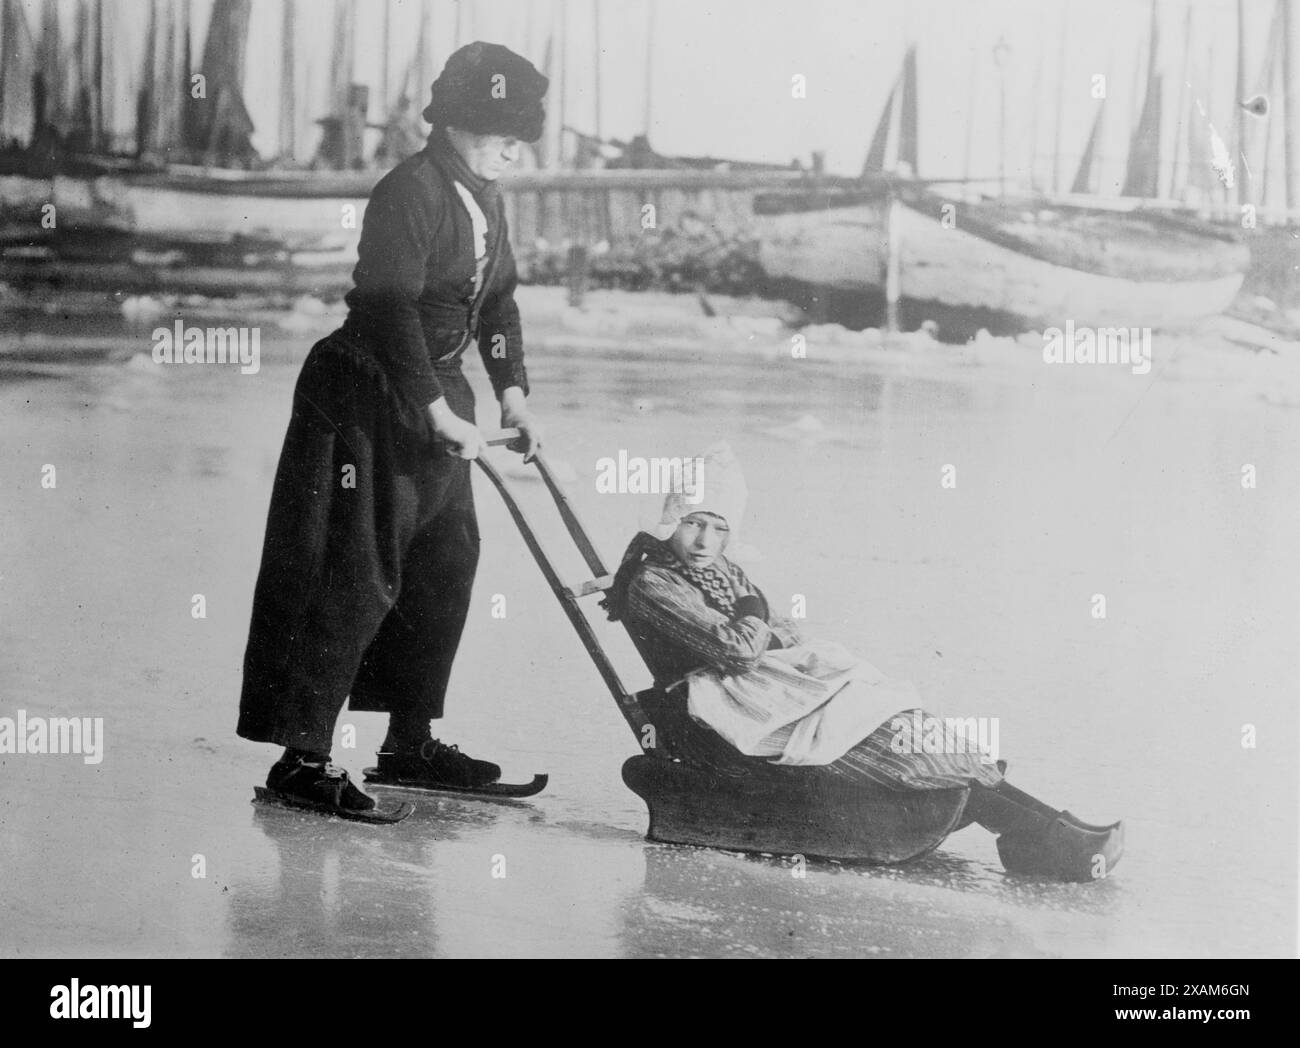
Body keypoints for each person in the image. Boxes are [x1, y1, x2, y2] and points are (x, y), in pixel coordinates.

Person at [237, 42, 548, 818]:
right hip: (364, 393)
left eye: (520, 135)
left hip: (436, 384)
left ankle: (409, 742)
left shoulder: (487, 193)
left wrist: (511, 392)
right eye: (501, 132)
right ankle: (301, 757)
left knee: (447, 559)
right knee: (354, 567)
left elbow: (498, 302)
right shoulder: (408, 192)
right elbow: (388, 308)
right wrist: (435, 410)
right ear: (456, 125)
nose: (515, 148)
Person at [603, 446, 1124, 880]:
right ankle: (1040, 839)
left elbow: (781, 633)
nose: (704, 542)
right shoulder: (655, 582)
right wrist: (753, 614)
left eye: (718, 529)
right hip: (717, 706)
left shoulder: (723, 571)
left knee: (906, 725)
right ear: (673, 518)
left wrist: (759, 625)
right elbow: (736, 648)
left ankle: (1047, 829)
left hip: (761, 688)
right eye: (693, 524)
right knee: (881, 735)